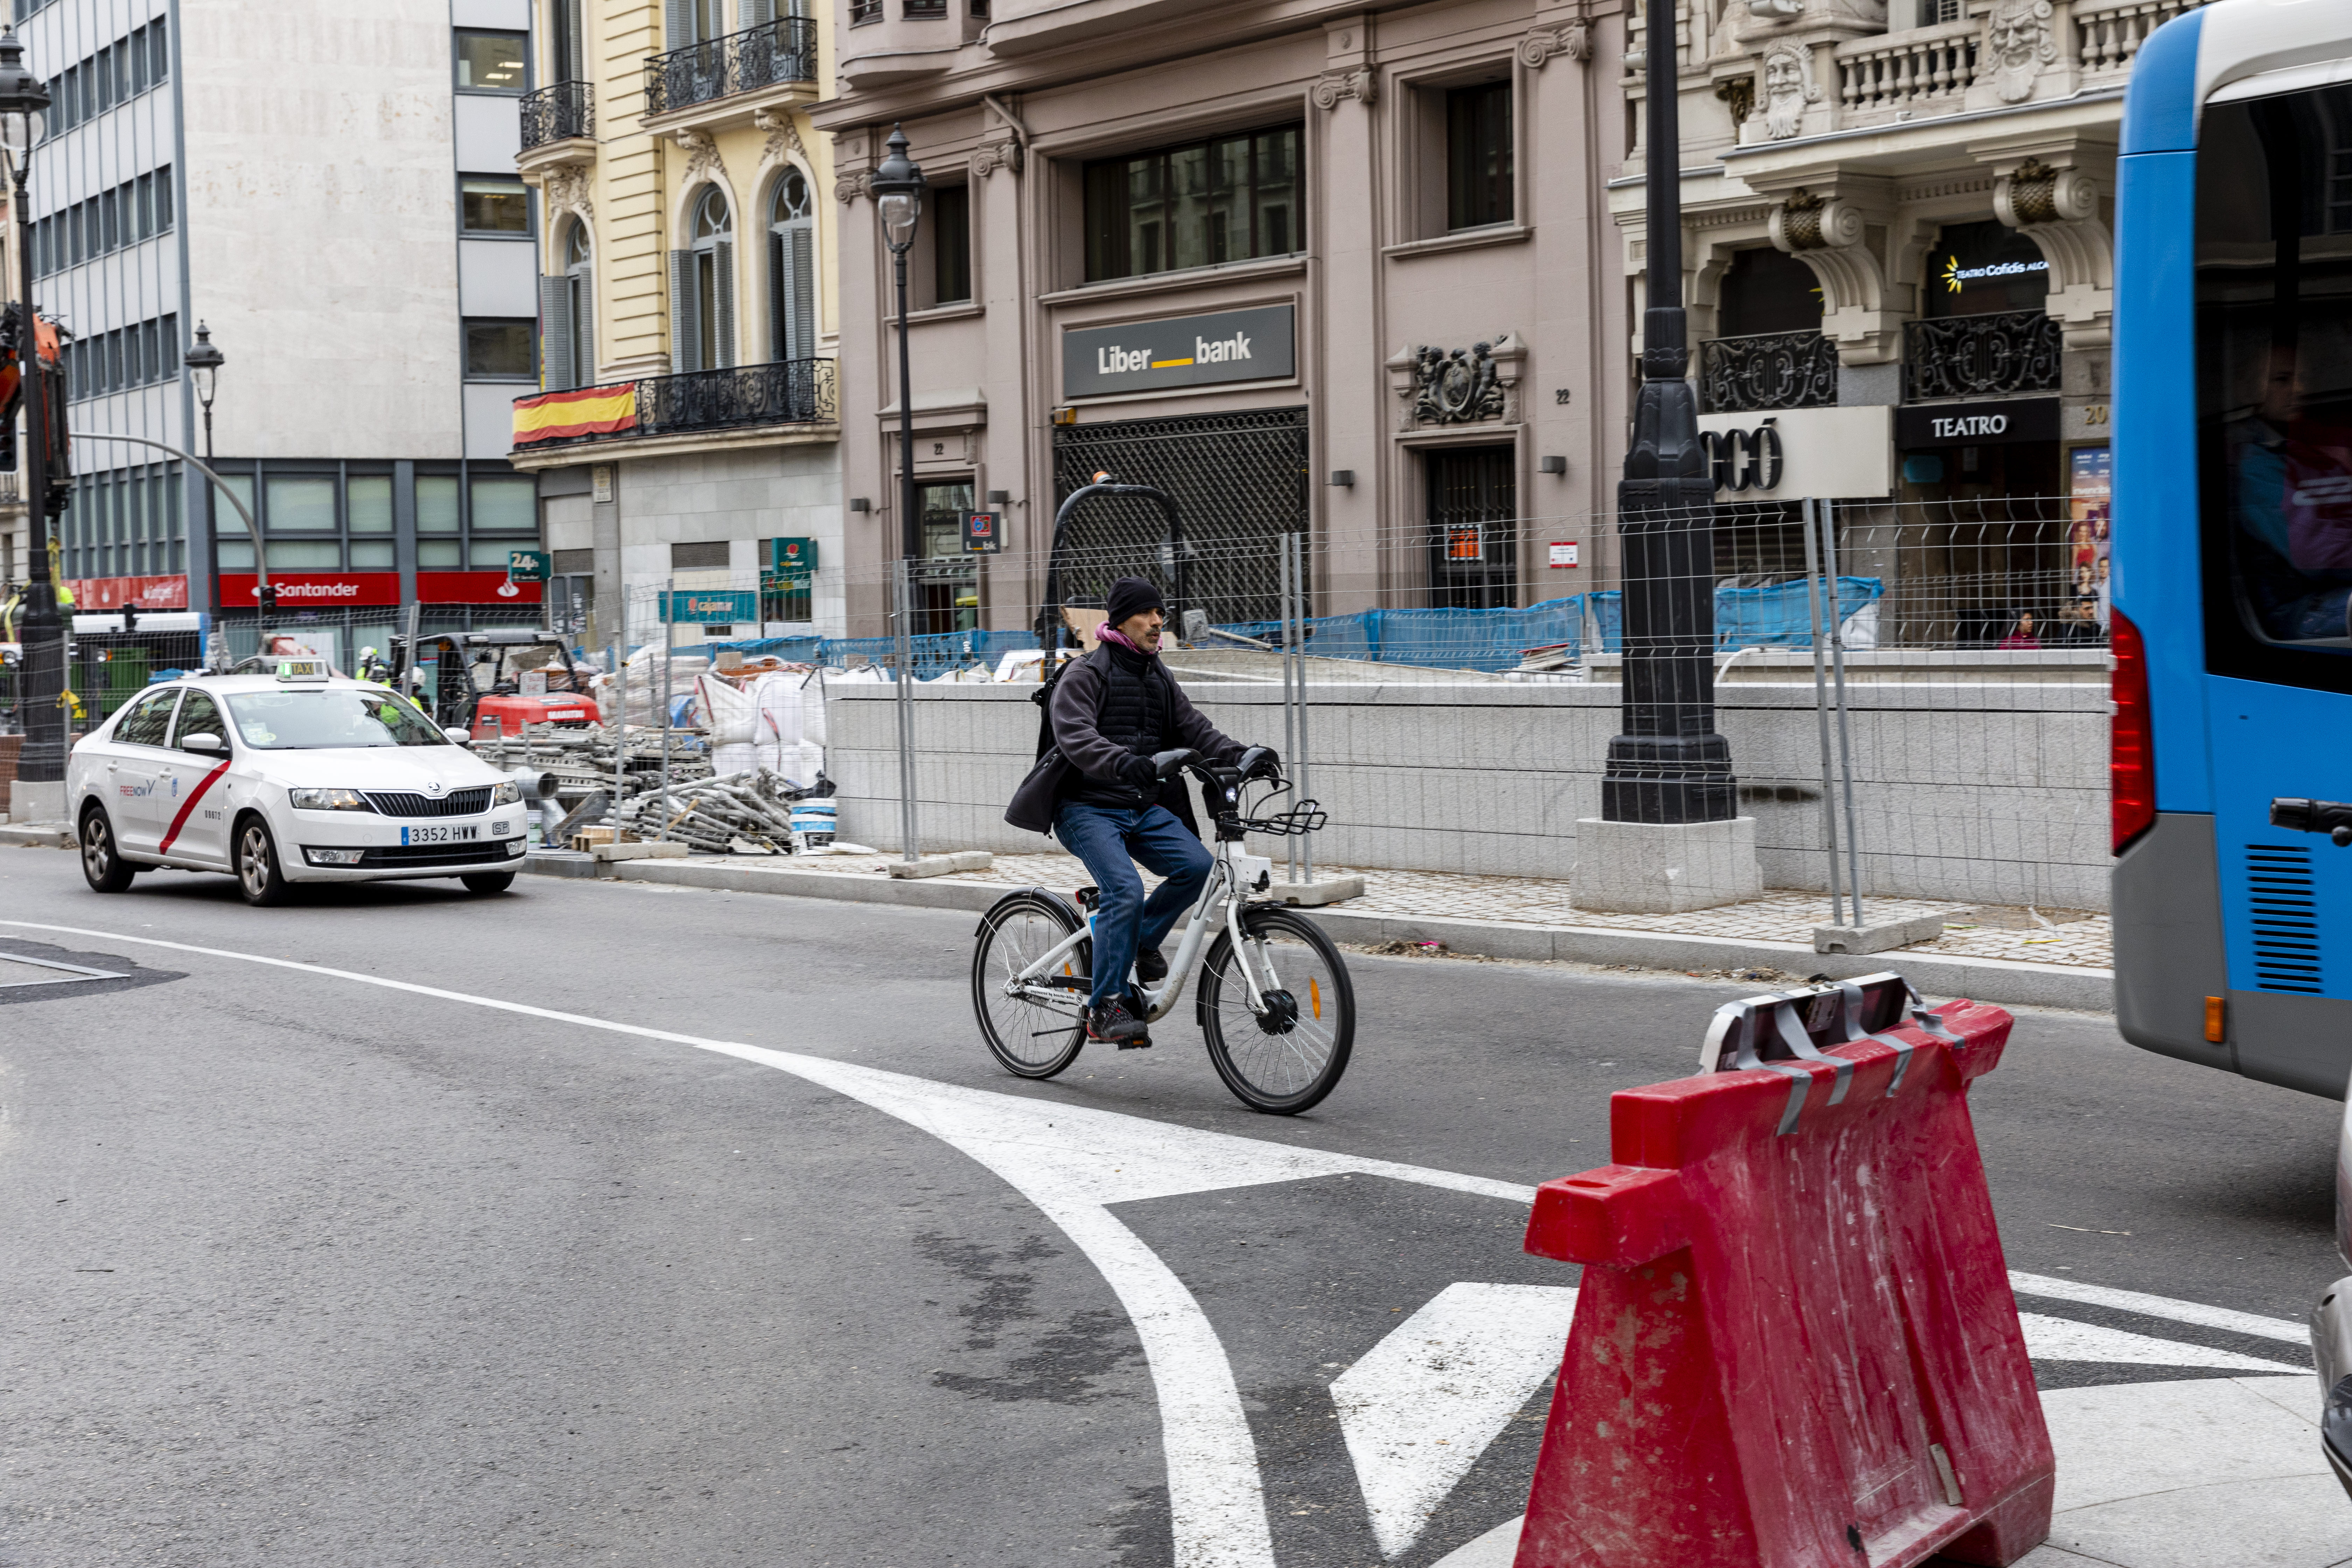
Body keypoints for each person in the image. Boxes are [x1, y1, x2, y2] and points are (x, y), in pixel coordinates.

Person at [1004, 576, 1267, 1048]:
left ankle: (1140, 940)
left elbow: (1196, 731)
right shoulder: (1086, 674)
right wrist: (1127, 762)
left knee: (1199, 868)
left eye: (1160, 613)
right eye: (1147, 613)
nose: (1157, 621)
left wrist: (1244, 755)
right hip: (1085, 807)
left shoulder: (1158, 675)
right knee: (1124, 888)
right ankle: (1105, 1005)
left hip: (1140, 807)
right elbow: (1077, 739)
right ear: (1122, 618)